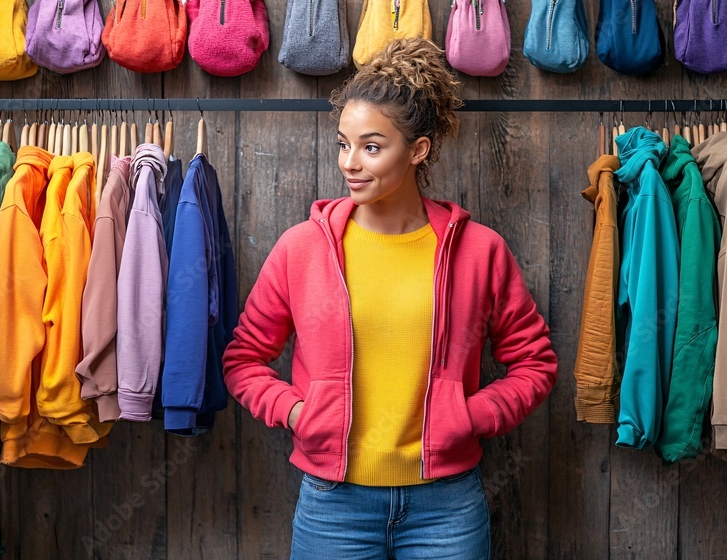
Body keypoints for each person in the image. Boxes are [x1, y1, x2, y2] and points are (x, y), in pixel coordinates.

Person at [222, 37, 557, 559]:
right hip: (334, 505)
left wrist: (471, 417)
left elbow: (535, 364)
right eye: (343, 143)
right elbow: (243, 360)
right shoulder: (302, 248)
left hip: (446, 506)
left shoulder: (479, 251)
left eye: (371, 147)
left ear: (417, 150)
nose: (350, 163)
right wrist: (294, 412)